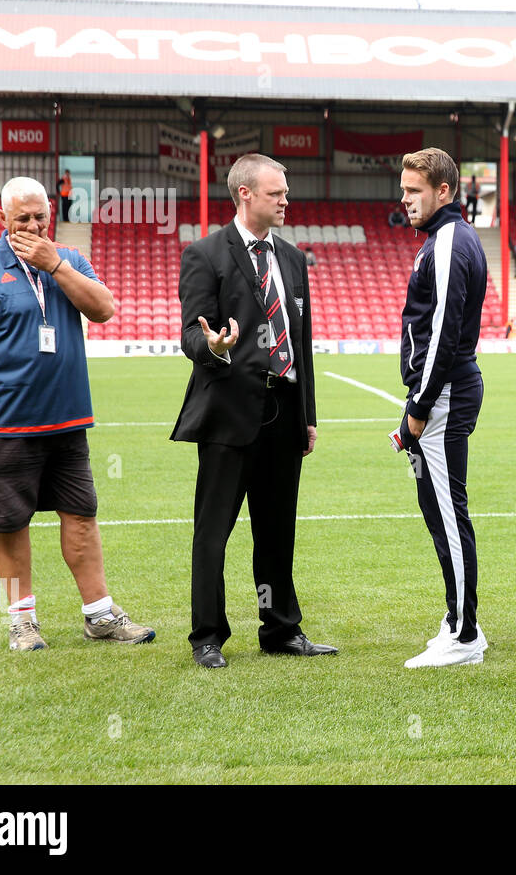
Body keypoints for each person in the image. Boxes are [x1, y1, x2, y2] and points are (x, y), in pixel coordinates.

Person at [0, 176, 154, 651]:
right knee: (10, 522)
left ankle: (99, 615)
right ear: (3, 219)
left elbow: (103, 309)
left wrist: (55, 263)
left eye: (42, 216)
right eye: (24, 218)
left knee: (82, 515)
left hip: (68, 422)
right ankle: (23, 621)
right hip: (5, 425)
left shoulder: (70, 259)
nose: (35, 225)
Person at [171, 153, 335, 668]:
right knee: (213, 531)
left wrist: (307, 413)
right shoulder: (205, 254)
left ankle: (281, 628)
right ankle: (207, 636)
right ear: (245, 194)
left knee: (277, 529)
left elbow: (302, 342)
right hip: (228, 413)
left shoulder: (292, 258)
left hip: (284, 411)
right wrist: (216, 345)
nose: (285, 200)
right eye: (275, 192)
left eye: (285, 192)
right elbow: (191, 335)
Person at [397, 148, 490, 668]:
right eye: (404, 189)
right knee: (438, 510)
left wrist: (419, 404)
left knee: (448, 514)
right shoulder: (440, 239)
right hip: (438, 395)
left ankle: (464, 633)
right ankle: (459, 616)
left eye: (414, 191)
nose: (405, 199)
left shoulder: (451, 241)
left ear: (445, 192)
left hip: (444, 396)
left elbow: (443, 335)